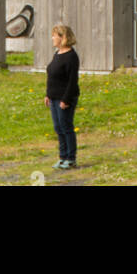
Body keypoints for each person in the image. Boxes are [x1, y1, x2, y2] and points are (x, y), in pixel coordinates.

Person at [45, 23, 80, 170]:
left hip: (64, 98)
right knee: (58, 127)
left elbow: (72, 81)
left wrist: (66, 100)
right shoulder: (57, 54)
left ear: (63, 37)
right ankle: (62, 156)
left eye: (55, 35)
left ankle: (70, 158)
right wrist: (48, 94)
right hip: (53, 97)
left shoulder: (71, 56)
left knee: (66, 127)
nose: (52, 38)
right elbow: (52, 75)